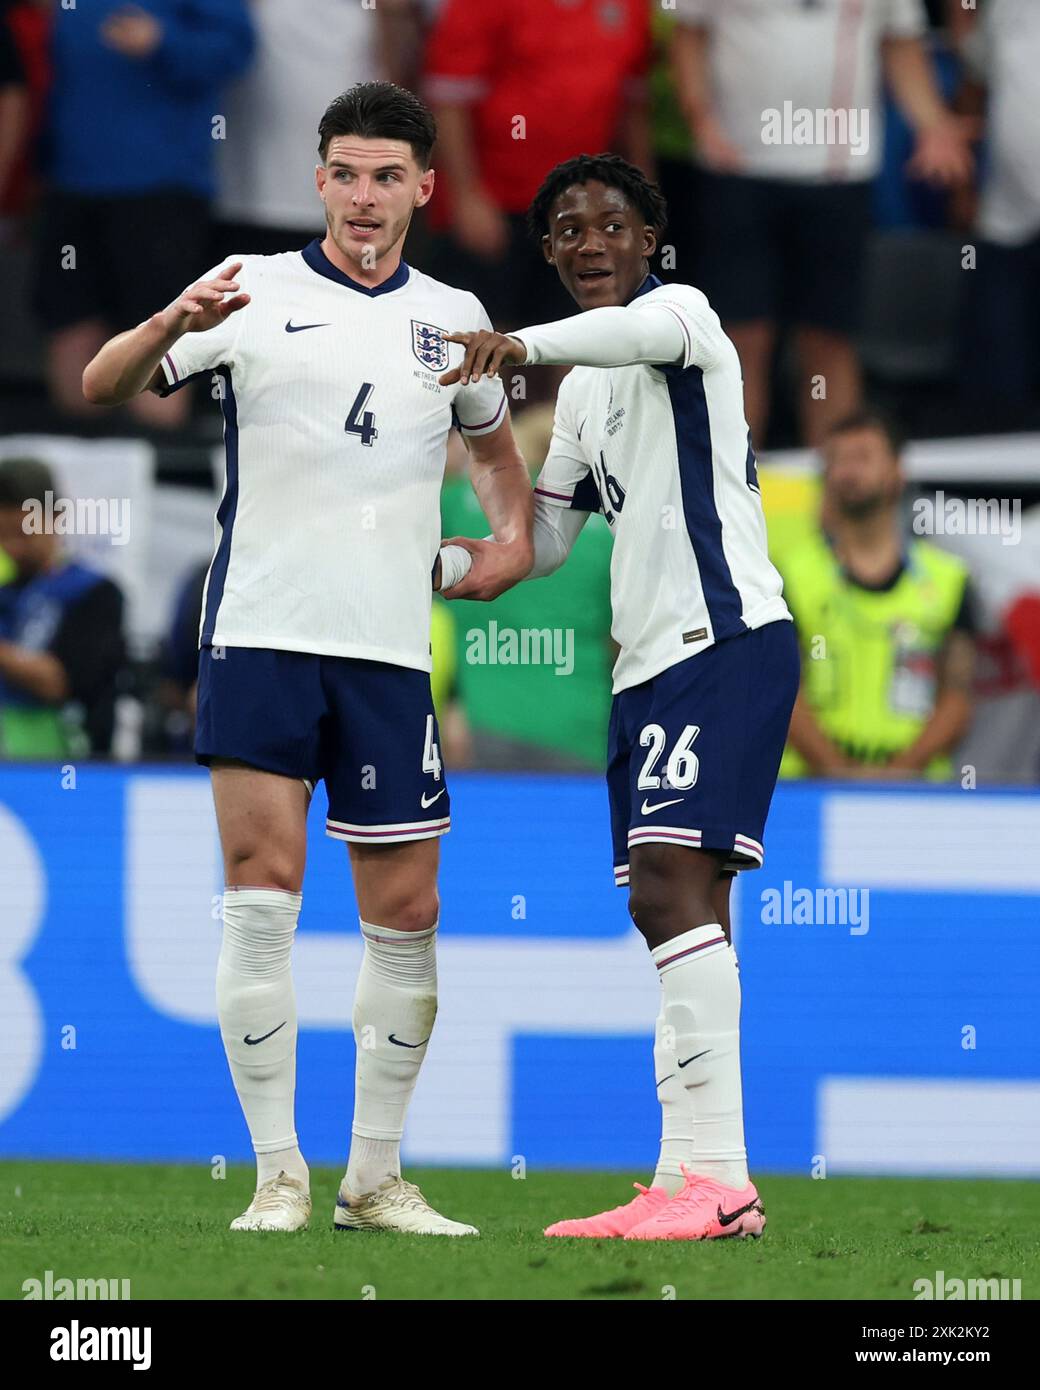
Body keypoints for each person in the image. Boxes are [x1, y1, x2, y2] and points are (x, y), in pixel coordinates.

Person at [82, 82, 533, 1235]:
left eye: (389, 176)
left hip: (386, 650)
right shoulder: (246, 293)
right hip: (262, 633)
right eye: (346, 172)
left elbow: (490, 450)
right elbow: (103, 386)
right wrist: (166, 328)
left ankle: (372, 1177)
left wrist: (513, 536)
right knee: (261, 897)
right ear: (318, 179)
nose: (366, 196)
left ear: (425, 187)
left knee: (408, 909)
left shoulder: (454, 314)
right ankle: (277, 1171)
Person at [436, 154, 799, 1240]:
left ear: (649, 242)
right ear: (546, 251)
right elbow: (540, 543)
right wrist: (431, 564)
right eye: (566, 230)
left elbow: (616, 336)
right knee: (677, 910)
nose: (589, 242)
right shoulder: (582, 393)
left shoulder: (682, 321)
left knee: (663, 888)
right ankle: (685, 1175)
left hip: (722, 638)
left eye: (610, 225)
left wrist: (513, 346)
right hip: (643, 669)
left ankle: (721, 1176)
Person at [671, 0, 973, 447]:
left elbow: (902, 45)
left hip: (838, 174)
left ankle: (836, 490)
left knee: (830, 340)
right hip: (737, 169)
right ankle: (732, 491)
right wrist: (701, 121)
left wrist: (932, 125)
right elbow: (688, 35)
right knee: (738, 342)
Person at [782, 411, 975, 779]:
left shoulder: (949, 579)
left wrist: (898, 775)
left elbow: (958, 696)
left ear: (897, 472)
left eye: (863, 458)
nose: (848, 472)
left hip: (916, 793)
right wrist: (838, 773)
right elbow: (779, 689)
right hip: (809, 793)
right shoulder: (789, 576)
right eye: (836, 460)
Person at [0, 456, 126, 759]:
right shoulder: (5, 589)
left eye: (22, 531)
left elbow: (61, 684)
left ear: (56, 515)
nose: (12, 546)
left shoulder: (93, 592)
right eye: (2, 534)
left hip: (69, 761)